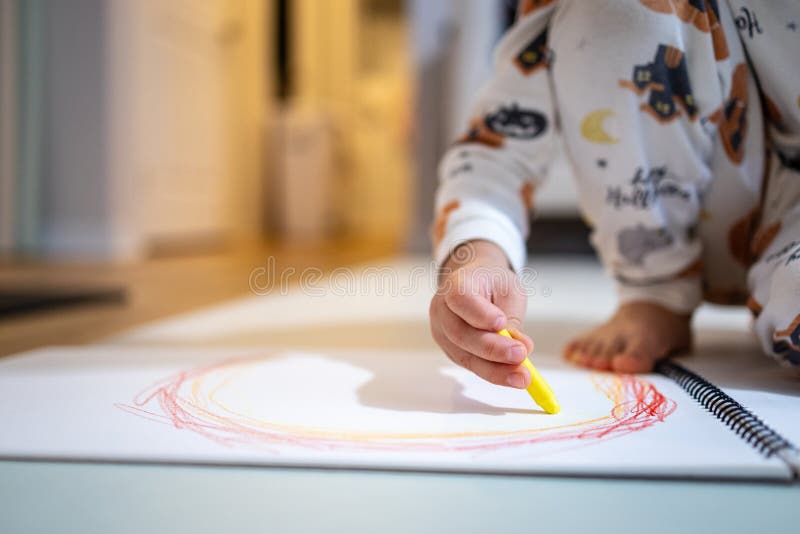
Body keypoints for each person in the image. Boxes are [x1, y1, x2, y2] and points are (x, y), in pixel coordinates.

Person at [429, 0, 800, 389]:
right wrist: (478, 257)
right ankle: (657, 291)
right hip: (663, 228)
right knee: (614, 10)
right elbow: (494, 149)